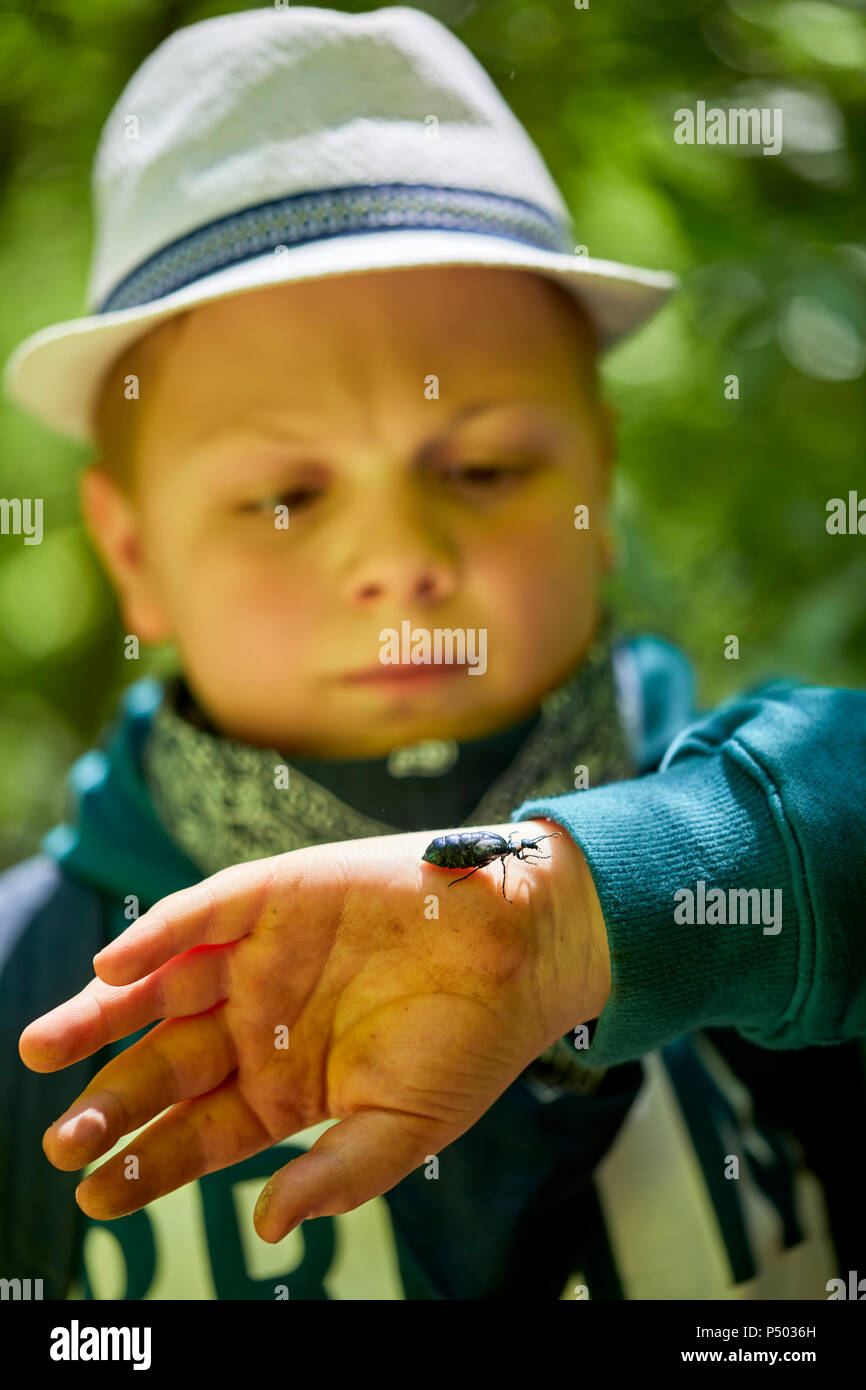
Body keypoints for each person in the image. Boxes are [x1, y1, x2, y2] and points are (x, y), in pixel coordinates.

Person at [2, 6, 865, 1302]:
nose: (399, 555)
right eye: (285, 496)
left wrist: (584, 909)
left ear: (596, 489)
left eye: (482, 466)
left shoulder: (769, 870)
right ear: (134, 557)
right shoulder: (33, 997)